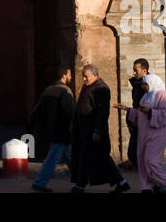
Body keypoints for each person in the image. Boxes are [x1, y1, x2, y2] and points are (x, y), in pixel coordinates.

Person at [70, 64, 131, 193]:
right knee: (103, 159)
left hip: (95, 132)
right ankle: (121, 183)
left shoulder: (102, 89)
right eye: (83, 77)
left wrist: (97, 131)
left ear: (95, 75)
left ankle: (80, 186)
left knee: (85, 158)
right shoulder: (88, 87)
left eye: (86, 77)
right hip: (85, 131)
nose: (84, 80)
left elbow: (102, 112)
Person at [29, 67, 75, 192]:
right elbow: (69, 112)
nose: (71, 77)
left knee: (70, 156)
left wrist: (32, 126)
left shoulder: (48, 90)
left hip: (51, 131)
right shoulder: (65, 91)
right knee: (52, 158)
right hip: (62, 132)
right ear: (64, 76)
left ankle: (80, 182)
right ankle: (39, 183)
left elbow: (37, 111)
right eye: (69, 74)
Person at [129, 73, 166, 193]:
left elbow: (165, 114)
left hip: (157, 134)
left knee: (151, 161)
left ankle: (165, 182)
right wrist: (128, 110)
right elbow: (140, 114)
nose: (144, 87)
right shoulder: (146, 97)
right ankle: (148, 186)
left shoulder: (163, 96)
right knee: (142, 160)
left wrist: (150, 112)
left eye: (146, 84)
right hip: (144, 134)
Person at [123, 58, 149, 171]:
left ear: (144, 71)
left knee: (141, 154)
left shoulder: (149, 85)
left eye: (136, 70)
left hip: (147, 123)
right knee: (132, 153)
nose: (133, 73)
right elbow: (135, 106)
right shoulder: (137, 84)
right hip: (137, 122)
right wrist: (130, 121)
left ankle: (151, 179)